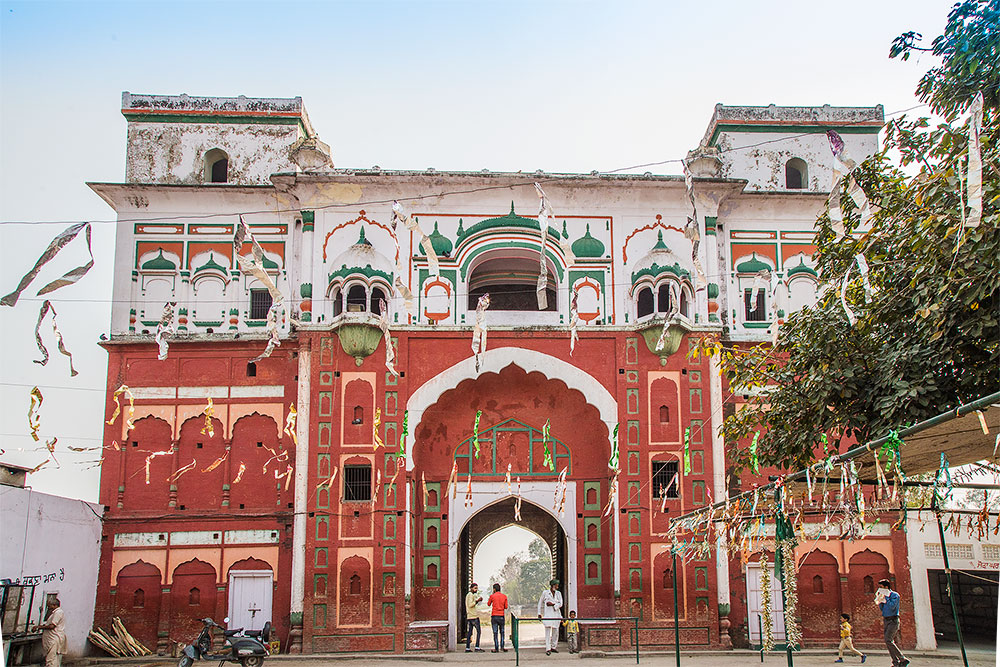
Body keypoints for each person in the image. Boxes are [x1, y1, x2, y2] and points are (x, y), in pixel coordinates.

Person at [876, 578, 909, 667]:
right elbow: (882, 609)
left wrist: (886, 597)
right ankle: (896, 662)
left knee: (888, 640)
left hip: (893, 620)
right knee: (888, 641)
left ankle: (902, 659)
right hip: (886, 619)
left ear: (886, 587)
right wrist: (880, 600)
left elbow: (892, 607)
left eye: (881, 587)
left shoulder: (894, 595)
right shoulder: (884, 595)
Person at [35, 597, 67, 667]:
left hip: (54, 638)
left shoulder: (58, 613)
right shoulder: (55, 613)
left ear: (55, 605)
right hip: (53, 638)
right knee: (53, 659)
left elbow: (52, 626)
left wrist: (39, 627)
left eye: (49, 605)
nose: (48, 607)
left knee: (51, 659)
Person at [537, 578, 563, 656]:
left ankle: (553, 647)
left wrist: (553, 604)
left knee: (556, 632)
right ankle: (548, 648)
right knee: (548, 632)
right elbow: (540, 602)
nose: (557, 587)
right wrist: (539, 613)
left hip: (556, 614)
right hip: (548, 614)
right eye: (556, 585)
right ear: (553, 585)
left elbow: (561, 603)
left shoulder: (558, 594)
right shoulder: (545, 593)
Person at [487, 583, 509, 653]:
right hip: (501, 615)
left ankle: (496, 648)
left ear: (494, 589)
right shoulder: (504, 596)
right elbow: (506, 607)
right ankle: (502, 646)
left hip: (494, 616)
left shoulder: (492, 596)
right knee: (502, 632)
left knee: (495, 632)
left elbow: (488, 604)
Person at [465, 582, 485, 652]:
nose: (476, 590)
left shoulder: (469, 595)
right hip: (473, 616)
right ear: (471, 588)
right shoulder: (470, 595)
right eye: (475, 588)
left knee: (469, 633)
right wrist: (477, 601)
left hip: (469, 616)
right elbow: (470, 605)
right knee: (478, 632)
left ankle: (467, 647)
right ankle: (477, 646)